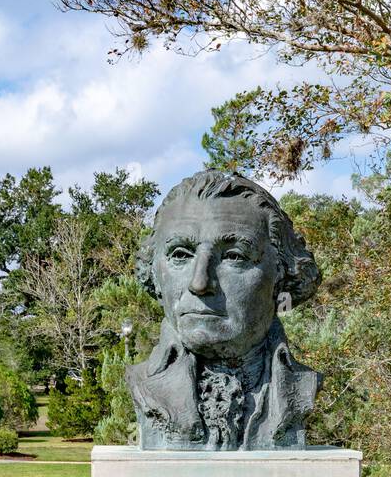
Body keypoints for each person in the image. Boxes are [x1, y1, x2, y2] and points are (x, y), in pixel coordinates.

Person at [128, 170, 322, 449]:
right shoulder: (143, 384)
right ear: (154, 276)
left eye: (234, 256)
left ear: (281, 274)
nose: (199, 283)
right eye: (180, 254)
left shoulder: (301, 386)